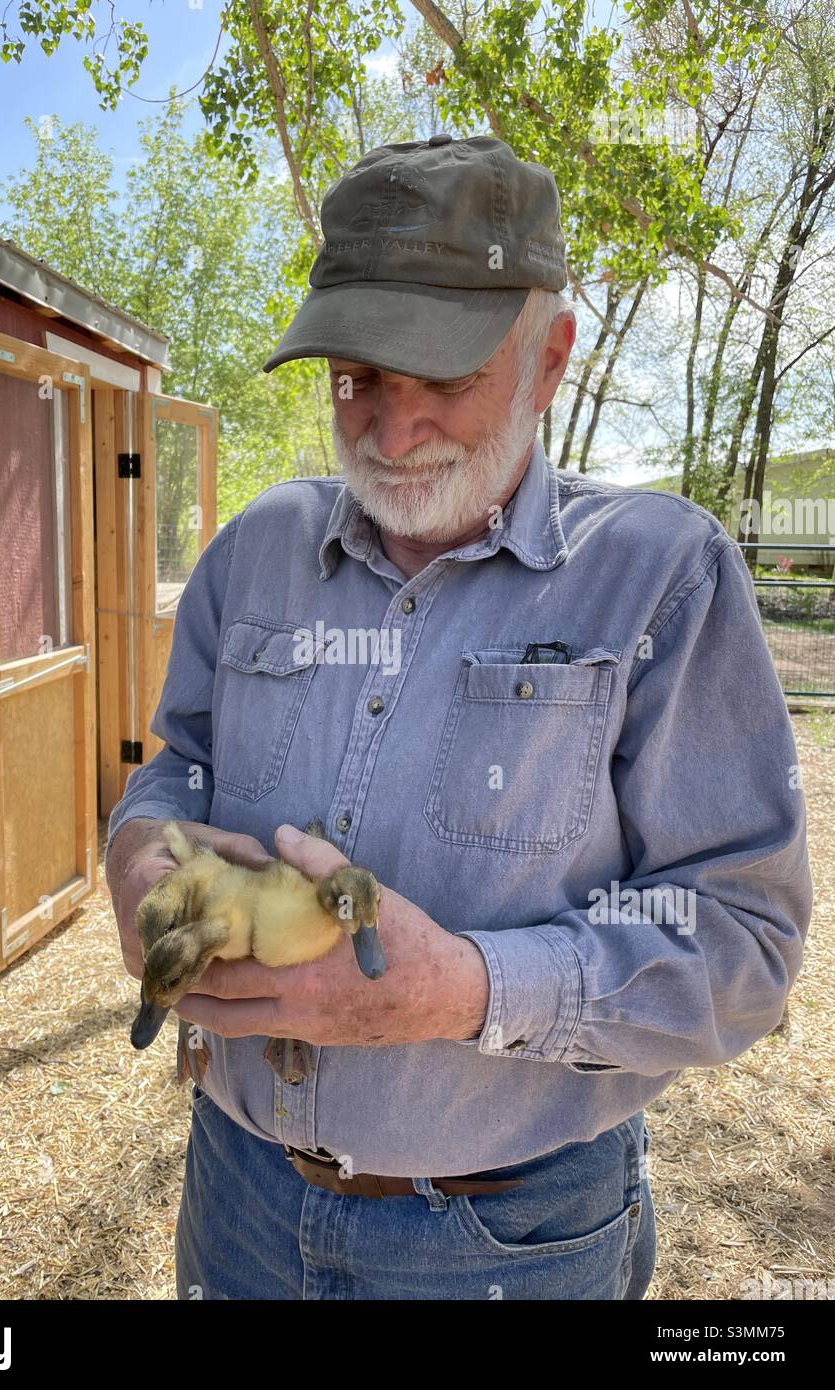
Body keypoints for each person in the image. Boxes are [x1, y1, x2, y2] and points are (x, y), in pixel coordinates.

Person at [105, 134, 812, 1301]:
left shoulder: (660, 579)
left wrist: (467, 991)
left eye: (445, 376)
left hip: (508, 1241)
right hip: (236, 1192)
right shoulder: (257, 555)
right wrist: (138, 852)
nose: (390, 429)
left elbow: (744, 947)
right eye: (360, 375)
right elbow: (177, 765)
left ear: (553, 360)